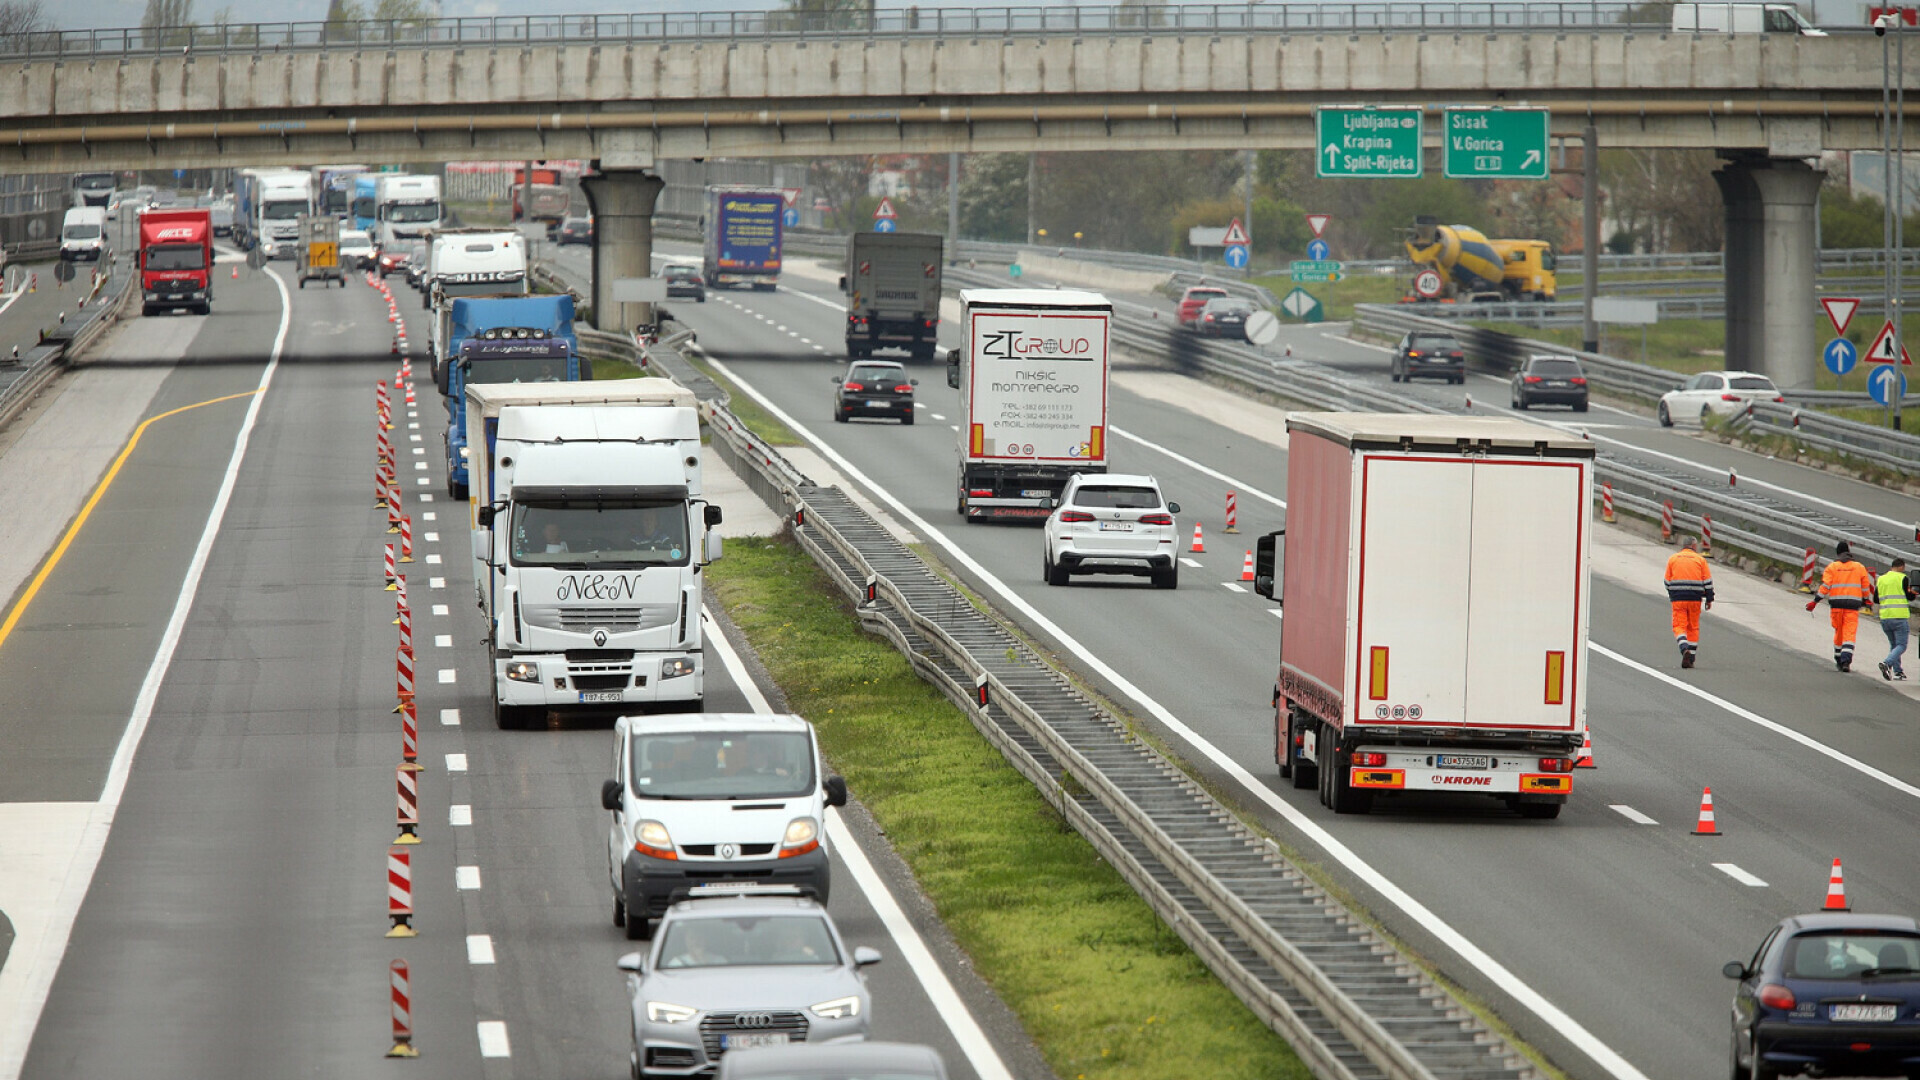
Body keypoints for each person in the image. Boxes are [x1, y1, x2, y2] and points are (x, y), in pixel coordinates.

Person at [1816, 541, 1875, 673]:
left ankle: (1838, 658)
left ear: (1837, 553)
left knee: (1838, 631)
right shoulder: (1859, 567)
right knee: (1849, 632)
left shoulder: (1832, 567)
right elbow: (1865, 586)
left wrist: (1816, 600)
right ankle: (1846, 660)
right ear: (1849, 552)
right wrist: (1866, 600)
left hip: (1836, 606)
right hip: (1852, 606)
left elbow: (1825, 586)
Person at [1664, 536, 1714, 669]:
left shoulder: (1673, 559)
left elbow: (1667, 581)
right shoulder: (1700, 560)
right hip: (1695, 599)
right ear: (1694, 546)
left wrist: (1672, 594)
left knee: (1679, 626)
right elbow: (1708, 582)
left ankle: (1683, 648)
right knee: (1693, 627)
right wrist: (1709, 599)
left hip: (1678, 598)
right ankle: (1691, 657)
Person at [1877, 557, 1914, 681]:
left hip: (1885, 617)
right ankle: (1887, 663)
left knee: (1894, 645)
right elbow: (1909, 596)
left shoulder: (1881, 579)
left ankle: (1898, 672)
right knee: (1902, 645)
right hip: (1899, 616)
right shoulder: (1902, 578)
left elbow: (1876, 599)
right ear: (1901, 567)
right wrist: (1913, 593)